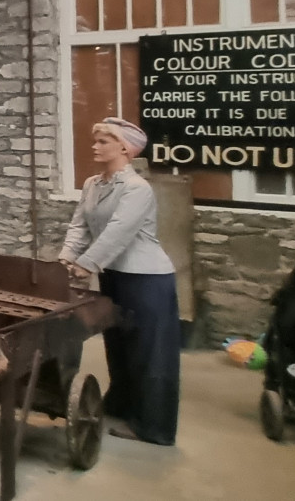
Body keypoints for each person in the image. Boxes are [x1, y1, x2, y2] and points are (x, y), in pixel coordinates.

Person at [59, 117, 179, 446]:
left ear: (124, 148)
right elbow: (79, 226)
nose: (95, 146)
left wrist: (87, 264)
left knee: (149, 354)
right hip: (113, 276)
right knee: (120, 346)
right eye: (95, 140)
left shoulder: (137, 189)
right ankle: (123, 404)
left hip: (146, 279)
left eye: (103, 142)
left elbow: (118, 233)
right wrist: (66, 257)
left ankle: (153, 427)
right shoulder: (93, 184)